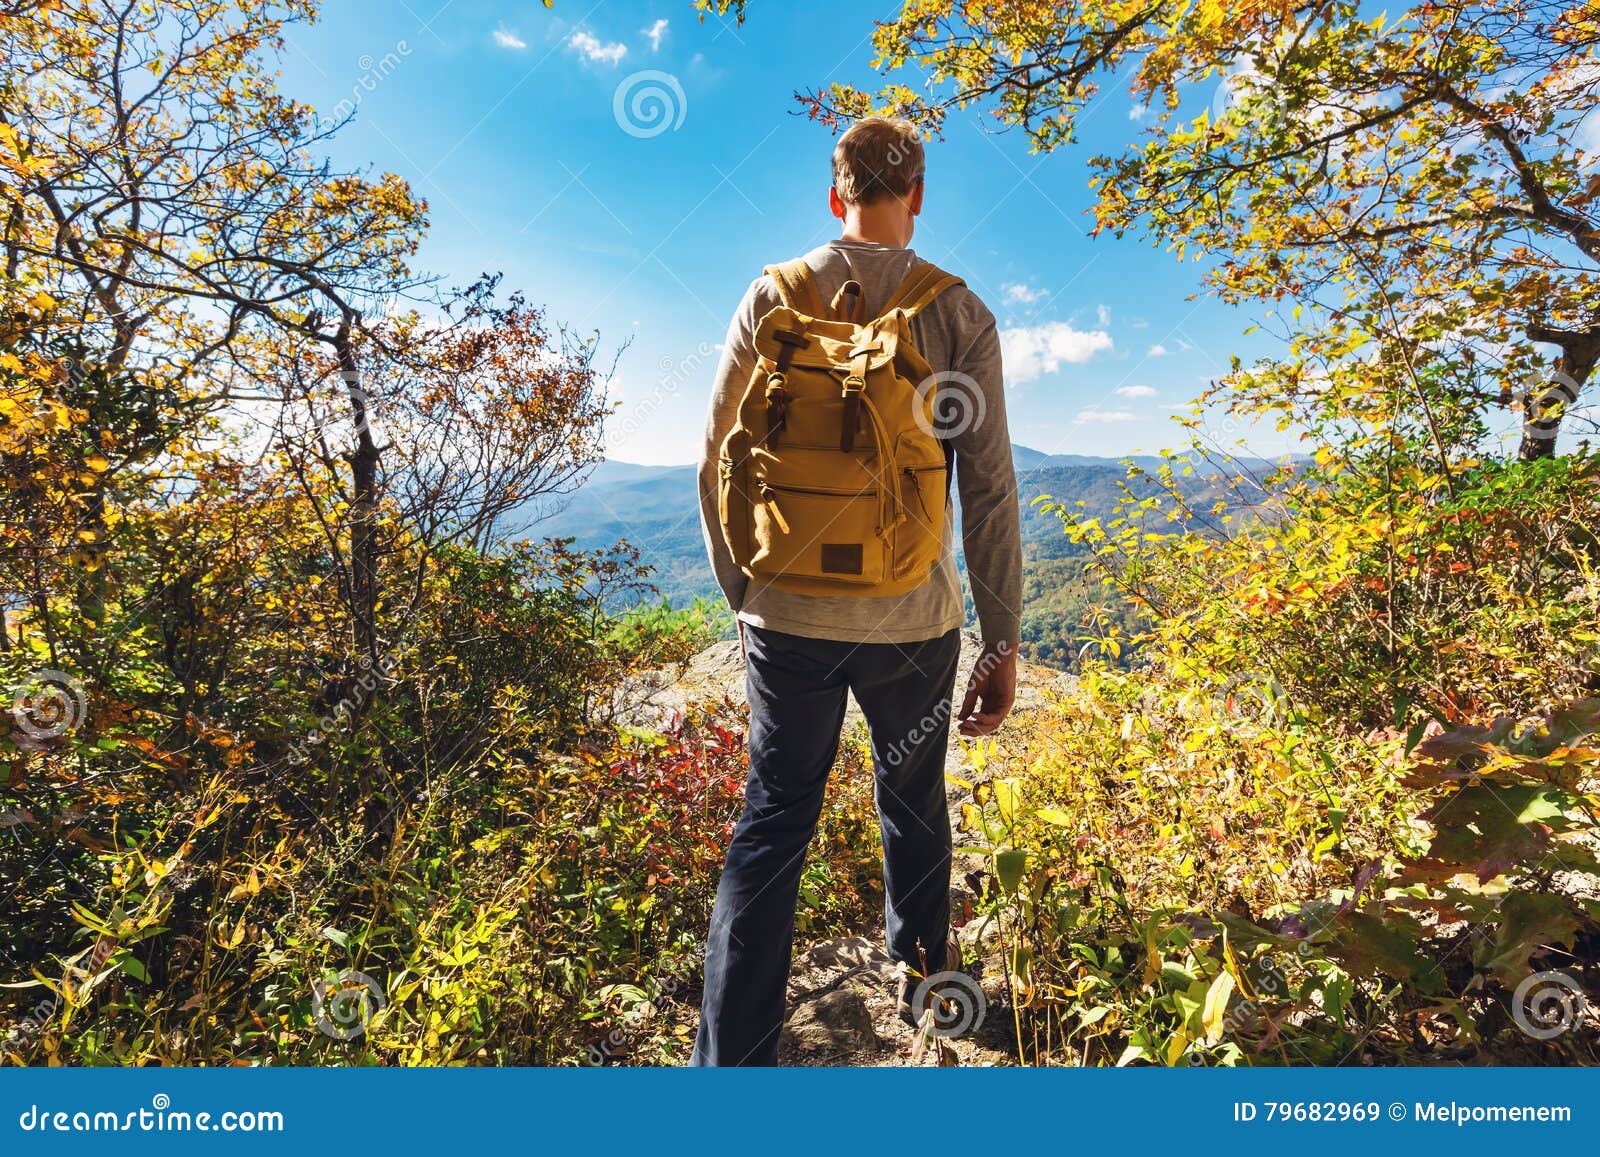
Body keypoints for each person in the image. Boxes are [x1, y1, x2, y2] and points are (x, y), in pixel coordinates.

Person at [691, 116, 1022, 1066]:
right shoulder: (956, 311)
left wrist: (748, 593)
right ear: (917, 194)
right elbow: (988, 488)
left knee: (774, 816)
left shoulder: (772, 295)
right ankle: (926, 985)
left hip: (784, 610)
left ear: (836, 194)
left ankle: (732, 1058)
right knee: (912, 796)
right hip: (911, 619)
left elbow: (715, 455)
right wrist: (1001, 640)